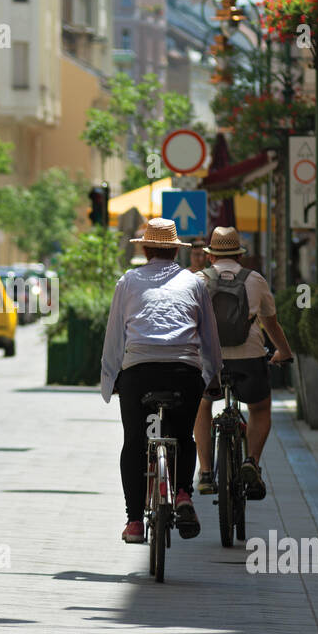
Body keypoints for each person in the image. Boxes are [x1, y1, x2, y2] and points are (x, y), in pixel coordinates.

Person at [101, 218, 222, 545]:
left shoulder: (127, 281)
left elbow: (114, 337)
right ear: (175, 250)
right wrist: (213, 378)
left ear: (144, 248)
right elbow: (209, 338)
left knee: (134, 441)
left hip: (139, 372)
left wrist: (111, 379)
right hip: (185, 372)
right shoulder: (194, 282)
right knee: (183, 436)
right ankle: (183, 493)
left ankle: (134, 522)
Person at [193, 226, 295, 502]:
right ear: (240, 255)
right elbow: (271, 324)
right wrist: (284, 352)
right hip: (249, 357)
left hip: (211, 361)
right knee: (260, 408)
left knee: (202, 404)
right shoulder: (255, 280)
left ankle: (204, 472)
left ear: (210, 256)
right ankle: (251, 460)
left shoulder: (198, 280)